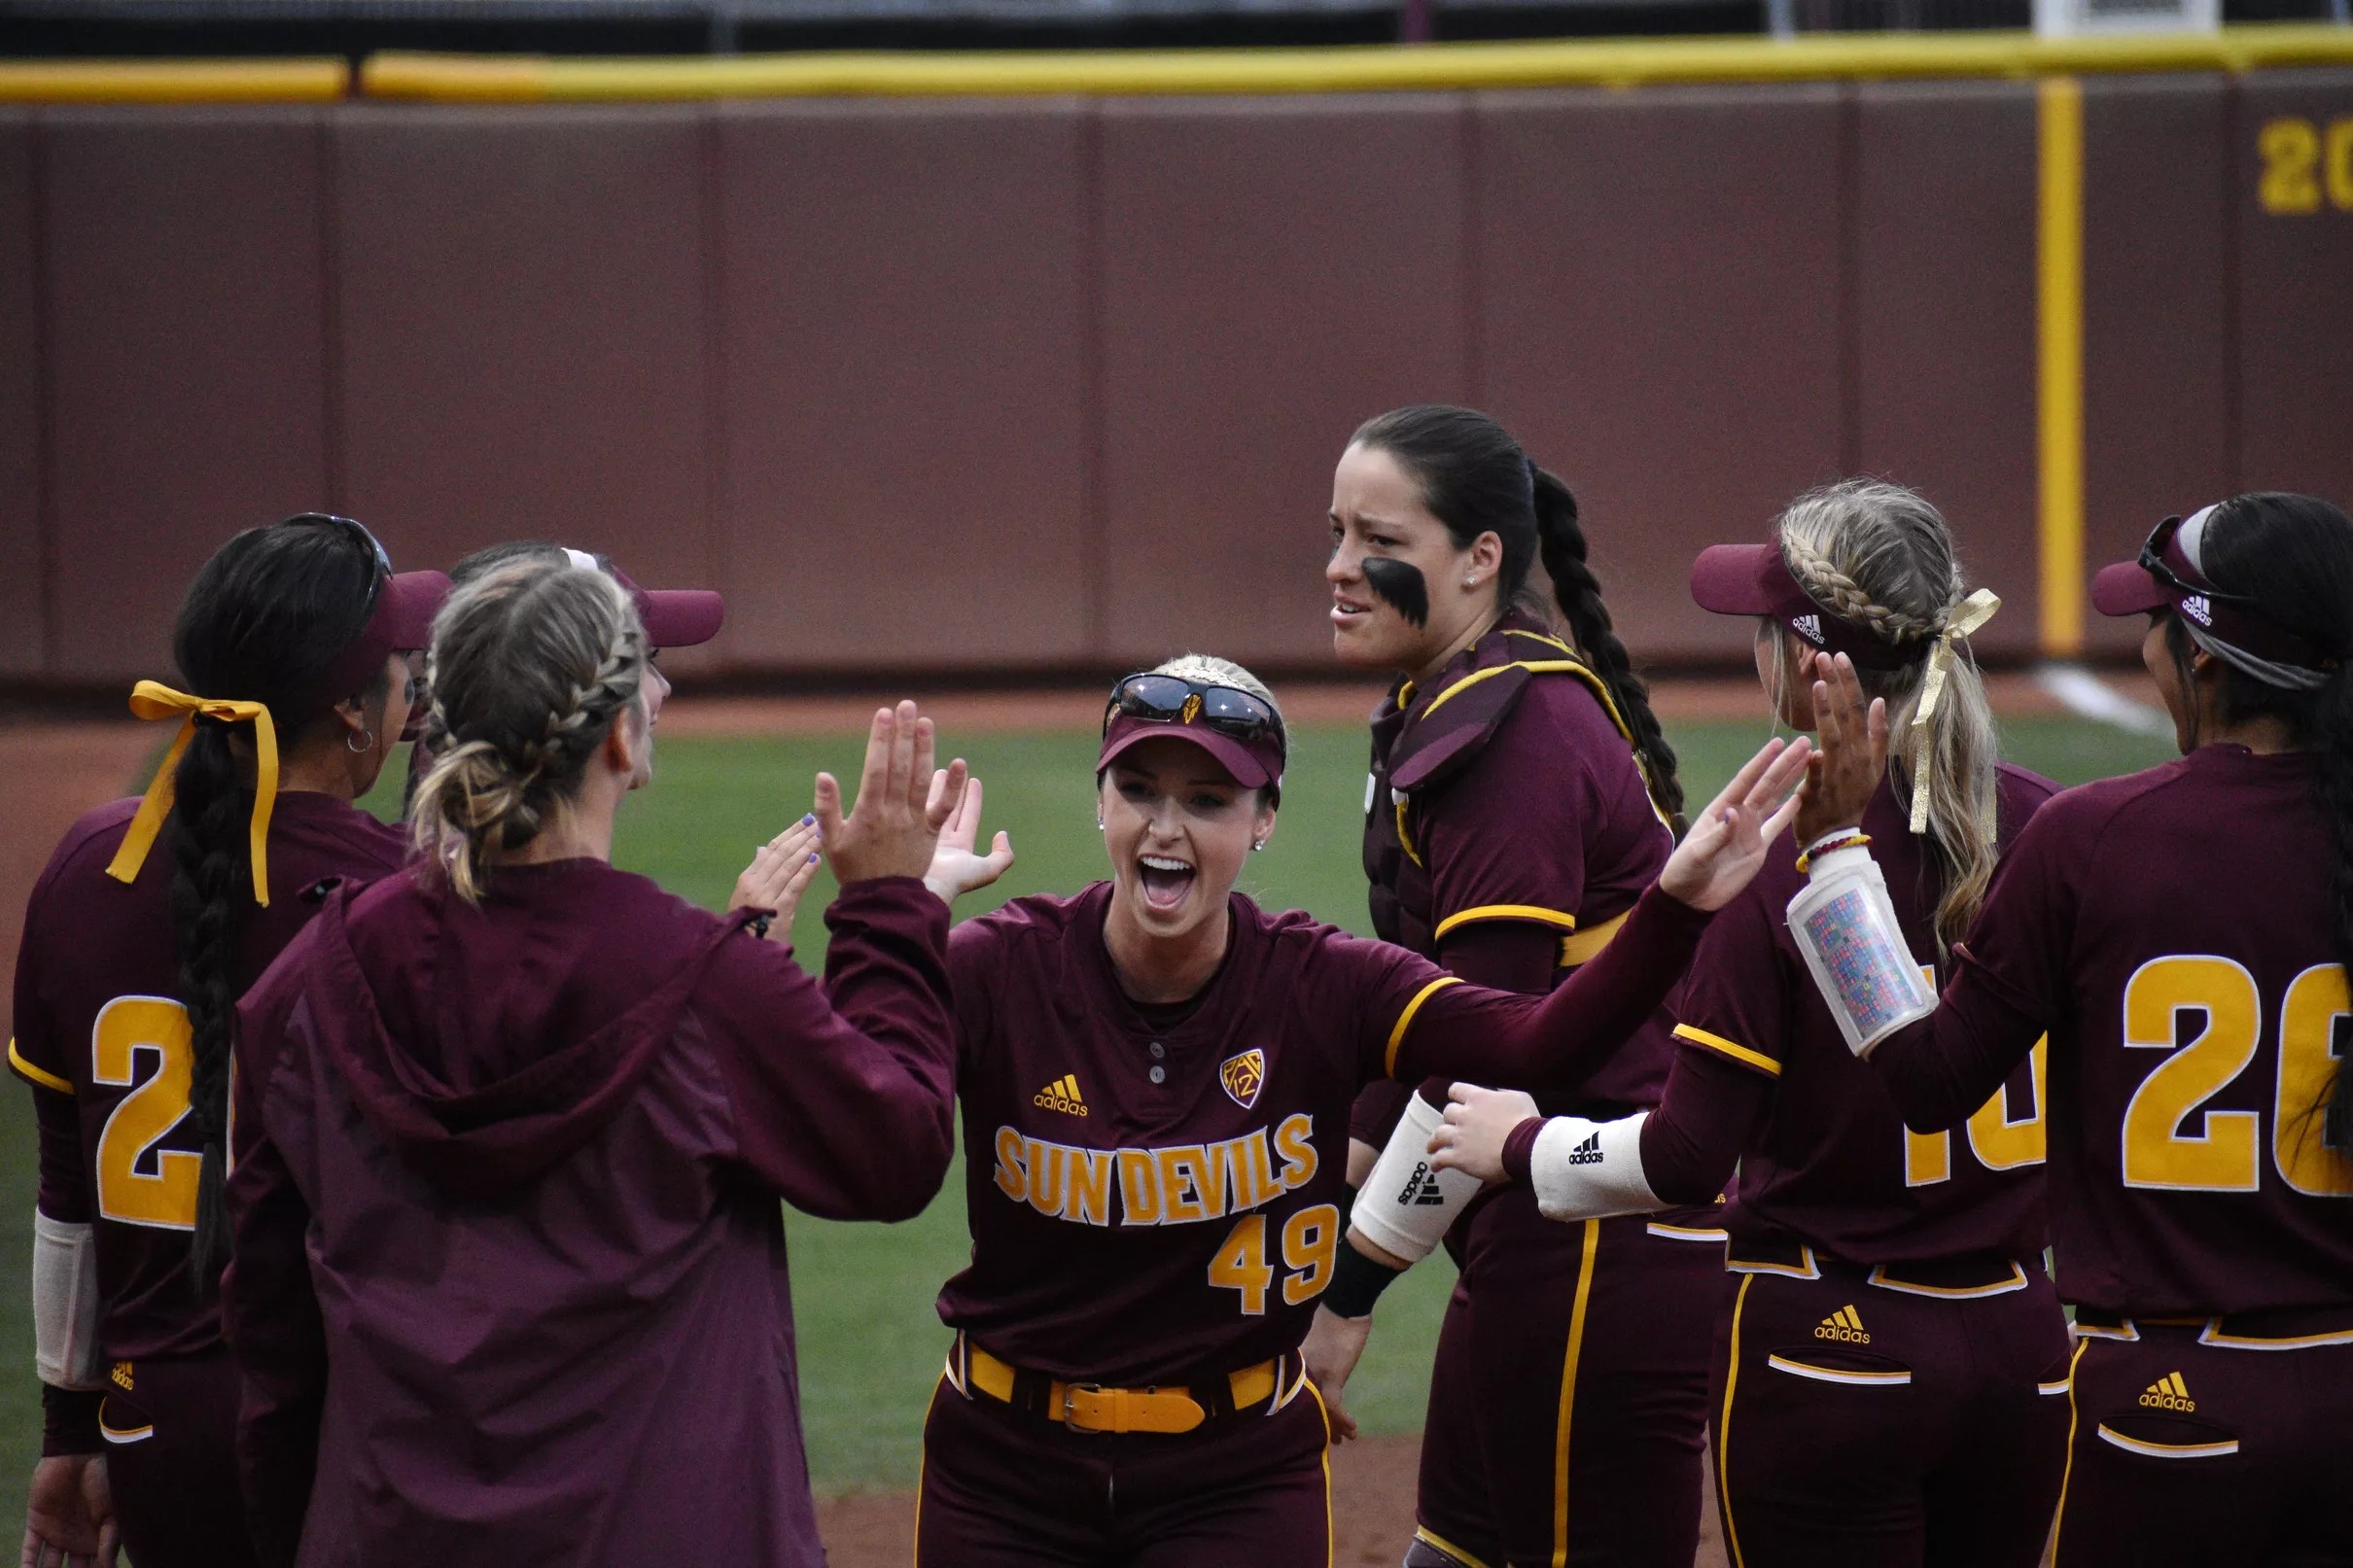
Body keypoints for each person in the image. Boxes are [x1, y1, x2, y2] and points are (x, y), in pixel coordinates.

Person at [911, 652, 1812, 1567]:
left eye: (1210, 800)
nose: (1165, 826)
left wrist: (1672, 909)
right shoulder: (998, 968)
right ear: (1100, 800)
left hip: (1235, 1477)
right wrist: (907, 910)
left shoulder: (1322, 982)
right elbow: (862, 1126)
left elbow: (1536, 1045)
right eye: (1138, 788)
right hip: (1004, 1473)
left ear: (1265, 820)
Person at [222, 558, 960, 1566]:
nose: (662, 686)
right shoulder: (704, 984)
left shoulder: (312, 976)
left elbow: (268, 1328)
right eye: (646, 674)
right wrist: (884, 907)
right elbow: (897, 1144)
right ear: (619, 737)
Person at [1433, 480, 2072, 1567]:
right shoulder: (2057, 823)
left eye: (1766, 627)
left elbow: (1686, 1154)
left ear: (1812, 659)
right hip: (2026, 1350)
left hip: (1830, 1352)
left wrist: (1519, 1142)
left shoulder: (1775, 859)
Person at [1738, 494, 2353, 1567]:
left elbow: (1926, 1078)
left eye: (2154, 624)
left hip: (2171, 1409)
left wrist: (1836, 852)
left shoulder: (2094, 837)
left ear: (2200, 660)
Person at [1305, 403, 1718, 1568]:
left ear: (1481, 558)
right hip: (1535, 1232)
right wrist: (1314, 1195)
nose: (1338, 567)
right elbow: (1429, 1025)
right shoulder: (1463, 696)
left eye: (1375, 537)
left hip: (1596, 1236)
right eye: (1334, 531)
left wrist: (1345, 1294)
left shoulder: (1510, 734)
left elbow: (1475, 1052)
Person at [9, 514, 445, 1568]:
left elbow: (67, 1195)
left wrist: (69, 1434)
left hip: (152, 1434)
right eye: (399, 664)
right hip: (349, 1427)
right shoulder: (400, 900)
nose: (413, 685)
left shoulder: (89, 865)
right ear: (351, 706)